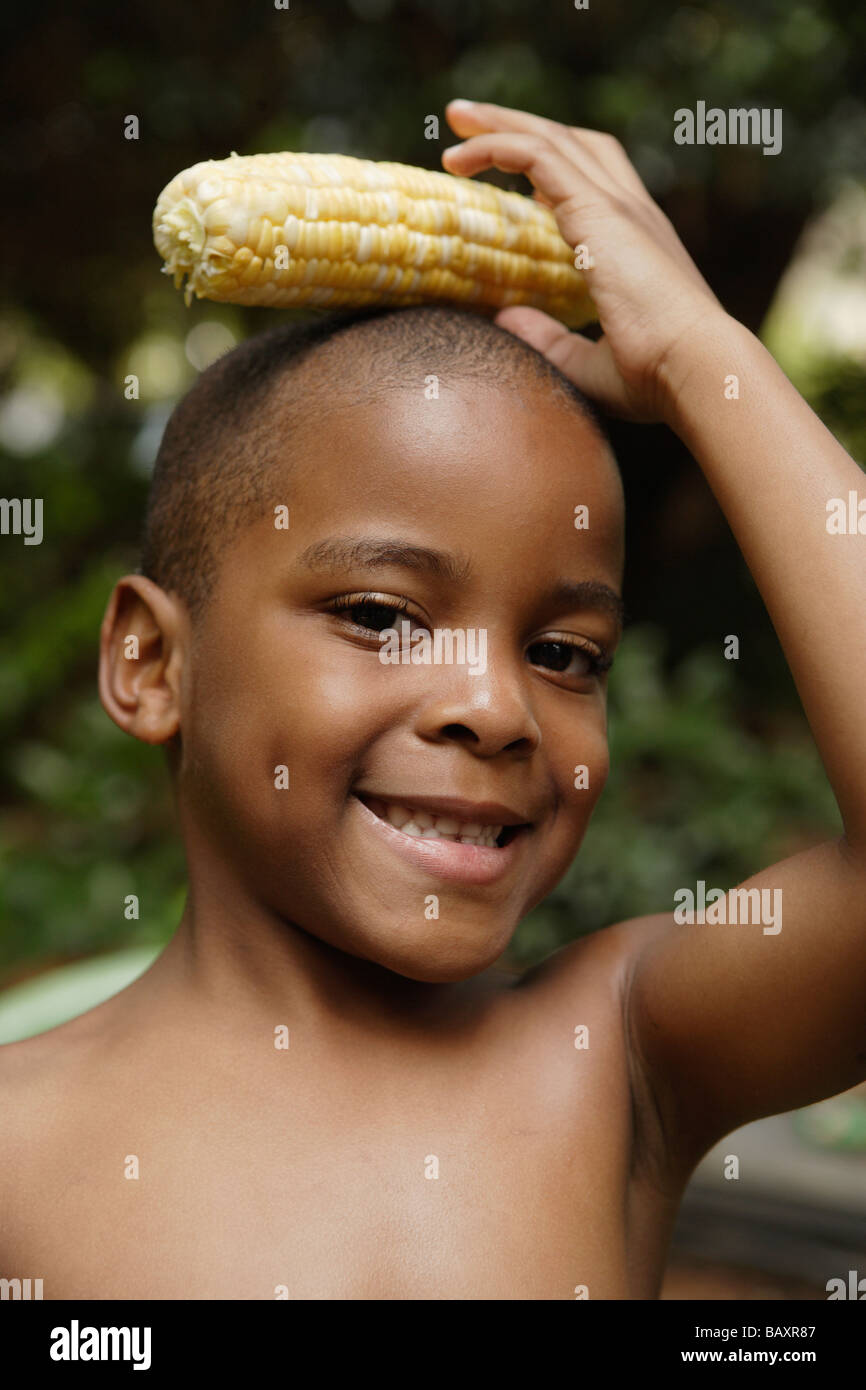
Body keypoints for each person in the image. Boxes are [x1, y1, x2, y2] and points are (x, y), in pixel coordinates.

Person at [1, 99, 864, 1300]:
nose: (495, 706)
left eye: (565, 653)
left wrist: (701, 357)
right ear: (153, 663)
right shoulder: (16, 1151)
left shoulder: (614, 1058)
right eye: (378, 616)